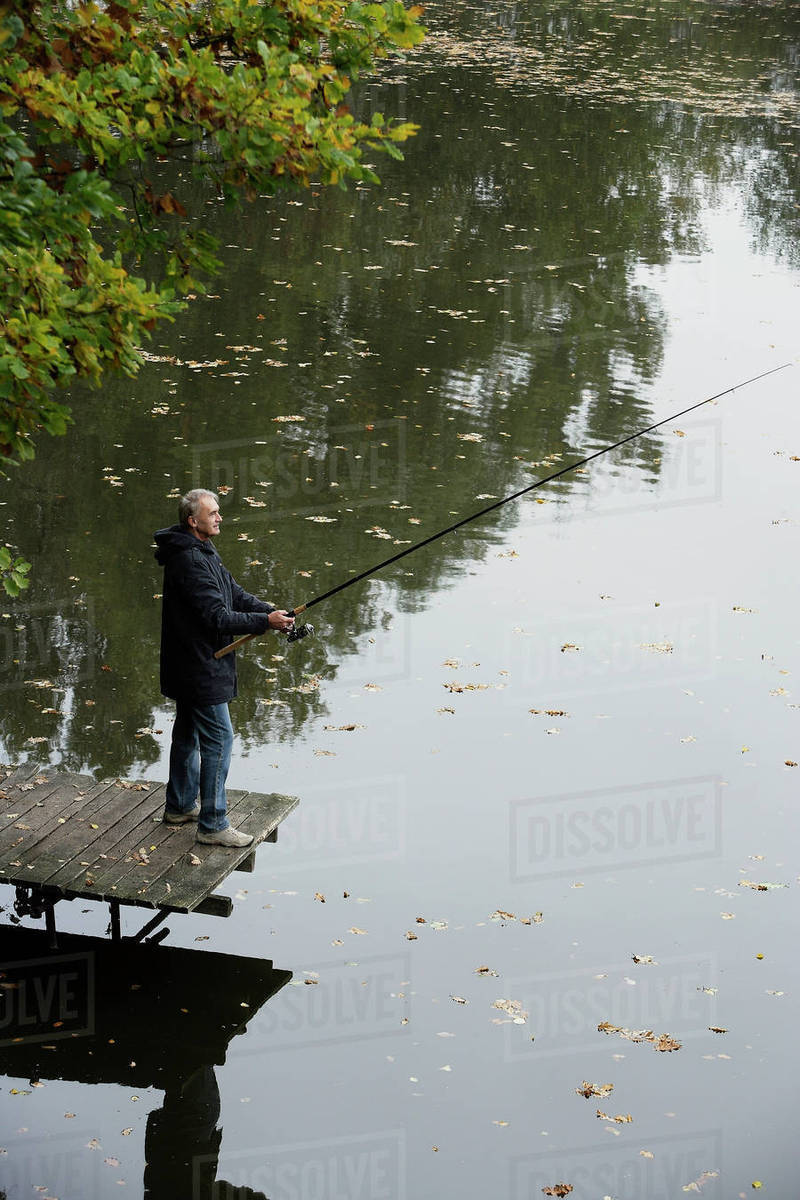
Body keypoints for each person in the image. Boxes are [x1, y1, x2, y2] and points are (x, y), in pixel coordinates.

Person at [154, 489, 294, 847]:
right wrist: (264, 621)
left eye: (217, 512)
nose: (219, 518)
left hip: (192, 665)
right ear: (192, 520)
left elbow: (233, 593)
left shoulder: (201, 550)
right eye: (212, 513)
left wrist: (271, 613)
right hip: (199, 666)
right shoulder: (188, 559)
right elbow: (217, 617)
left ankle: (180, 806)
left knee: (188, 734)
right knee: (219, 737)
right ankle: (213, 824)